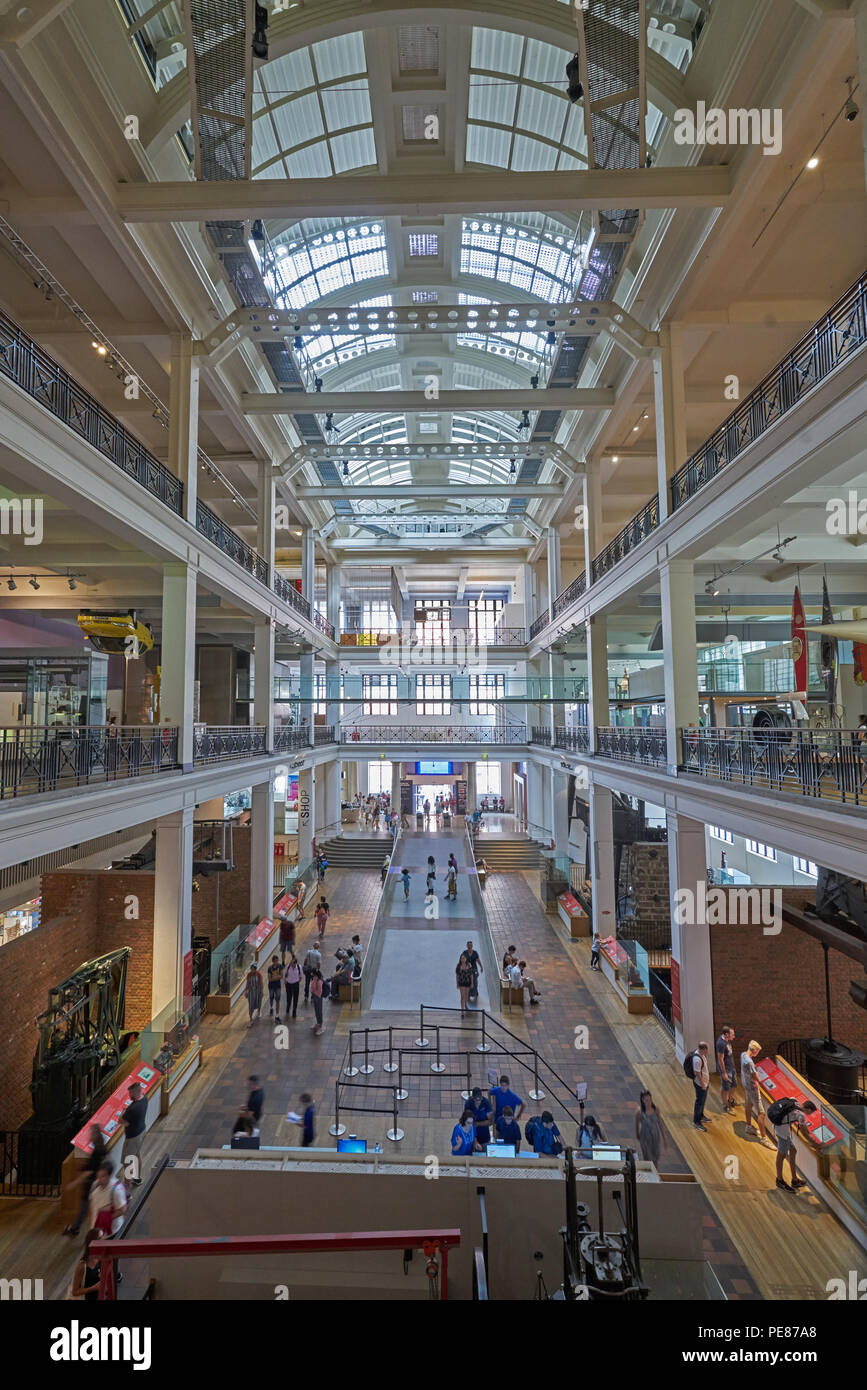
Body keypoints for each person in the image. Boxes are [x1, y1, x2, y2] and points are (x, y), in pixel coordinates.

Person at [64, 1125, 106, 1236]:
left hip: (91, 1184)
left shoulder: (97, 1151)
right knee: (90, 1208)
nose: (89, 1136)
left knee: (86, 1208)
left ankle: (86, 1231)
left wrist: (73, 1183)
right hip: (98, 1183)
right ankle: (79, 1228)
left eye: (91, 1134)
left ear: (96, 1136)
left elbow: (89, 1171)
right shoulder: (102, 1149)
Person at [771, 1099, 817, 1192]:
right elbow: (804, 1133)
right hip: (783, 1133)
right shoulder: (801, 1114)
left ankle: (794, 1180)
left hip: (779, 1127)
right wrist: (815, 1144)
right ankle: (779, 1180)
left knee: (793, 1151)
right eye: (810, 1112)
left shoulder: (794, 1101)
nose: (810, 1114)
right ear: (808, 1109)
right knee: (781, 1156)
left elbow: (804, 1128)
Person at [741, 1040, 774, 1147]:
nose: (757, 1053)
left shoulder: (743, 1055)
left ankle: (749, 1126)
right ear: (754, 1050)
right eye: (758, 1051)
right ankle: (764, 1139)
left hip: (746, 1085)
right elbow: (756, 1077)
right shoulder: (750, 1062)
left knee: (748, 1104)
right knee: (761, 1113)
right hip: (753, 1088)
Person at [86, 1160, 127, 1236]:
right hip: (95, 1231)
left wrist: (105, 1219)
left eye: (102, 1177)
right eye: (98, 1176)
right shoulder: (95, 1184)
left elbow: (122, 1210)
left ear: (109, 1176)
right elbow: (92, 1203)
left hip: (111, 1233)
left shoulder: (117, 1190)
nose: (99, 1179)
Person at [120, 1082, 147, 1185]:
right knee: (137, 1154)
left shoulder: (133, 1108)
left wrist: (124, 1111)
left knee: (127, 1162)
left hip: (132, 1137)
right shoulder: (144, 1098)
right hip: (141, 1131)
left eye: (130, 1093)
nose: (129, 1095)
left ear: (135, 1093)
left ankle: (126, 1187)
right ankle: (137, 1178)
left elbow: (120, 1120)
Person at [635, 1090, 667, 1166]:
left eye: (650, 1100)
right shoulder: (639, 1112)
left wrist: (664, 1138)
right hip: (645, 1137)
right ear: (642, 1100)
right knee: (647, 1157)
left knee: (656, 1156)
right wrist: (638, 1136)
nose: (649, 1102)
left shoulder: (656, 1110)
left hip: (655, 1136)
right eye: (646, 1100)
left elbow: (660, 1124)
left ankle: (655, 1172)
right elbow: (636, 1125)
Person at [69, 1230, 103, 1301]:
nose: (103, 1241)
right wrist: (93, 1288)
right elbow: (75, 1291)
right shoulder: (82, 1266)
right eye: (99, 1238)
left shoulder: (101, 1258)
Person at [689, 1041, 711, 1131]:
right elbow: (697, 1073)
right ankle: (696, 1122)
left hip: (705, 1083)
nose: (708, 1050)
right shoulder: (697, 1059)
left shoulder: (701, 1055)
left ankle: (701, 1115)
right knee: (699, 1102)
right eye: (707, 1048)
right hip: (700, 1084)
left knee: (702, 1101)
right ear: (704, 1049)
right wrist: (703, 1085)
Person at [716, 1025, 738, 1113]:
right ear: (726, 1034)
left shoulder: (727, 1040)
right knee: (725, 1087)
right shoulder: (721, 1043)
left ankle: (731, 1100)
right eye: (732, 1034)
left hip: (731, 1066)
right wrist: (724, 1073)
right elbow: (720, 1059)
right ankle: (725, 1105)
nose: (734, 1036)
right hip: (726, 1069)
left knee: (734, 1085)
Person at [244, 961, 263, 1026]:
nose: (252, 970)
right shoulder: (249, 974)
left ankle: (259, 1011)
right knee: (251, 1004)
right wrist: (246, 990)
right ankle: (251, 1018)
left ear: (255, 969)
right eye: (251, 969)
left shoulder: (258, 974)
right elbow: (248, 983)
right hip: (251, 991)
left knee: (258, 1001)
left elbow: (261, 983)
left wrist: (262, 991)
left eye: (253, 969)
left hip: (258, 990)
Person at [284, 952, 301, 1019]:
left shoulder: (299, 967)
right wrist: (285, 982)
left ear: (295, 963)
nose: (291, 964)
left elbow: (301, 976)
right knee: (289, 997)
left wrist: (298, 981)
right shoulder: (288, 967)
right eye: (291, 962)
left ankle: (294, 1011)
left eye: (293, 963)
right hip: (288, 984)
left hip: (296, 984)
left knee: (295, 998)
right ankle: (288, 1008)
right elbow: (285, 975)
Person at [267, 954, 284, 1020]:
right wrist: (277, 977)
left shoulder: (280, 966)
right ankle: (271, 1007)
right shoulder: (269, 968)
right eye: (275, 961)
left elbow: (281, 976)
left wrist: (274, 977)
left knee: (278, 999)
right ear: (273, 961)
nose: (277, 962)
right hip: (271, 986)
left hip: (277, 986)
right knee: (271, 997)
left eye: (277, 960)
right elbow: (269, 979)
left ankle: (277, 1015)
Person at [309, 968, 324, 1035]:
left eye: (312, 973)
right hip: (315, 996)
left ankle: (320, 1026)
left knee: (319, 1011)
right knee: (316, 1010)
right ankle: (318, 1023)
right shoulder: (315, 978)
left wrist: (315, 994)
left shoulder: (319, 980)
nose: (311, 974)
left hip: (318, 997)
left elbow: (320, 991)